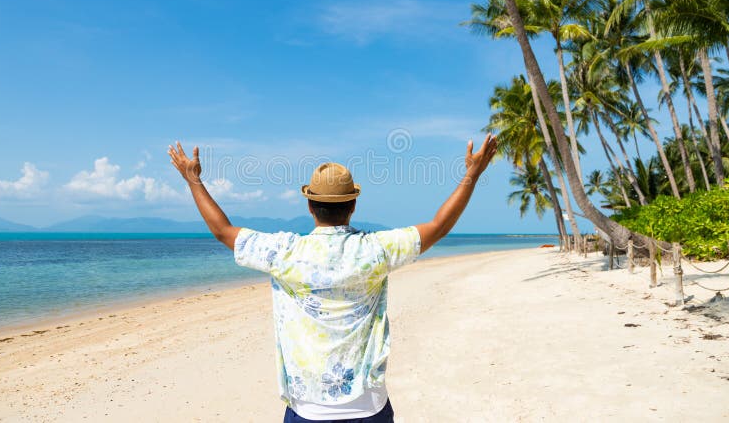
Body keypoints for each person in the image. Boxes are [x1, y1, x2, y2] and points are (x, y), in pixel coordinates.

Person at [168, 135, 498, 422]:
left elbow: (223, 231)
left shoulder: (286, 253)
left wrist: (193, 179)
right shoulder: (375, 250)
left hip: (307, 408)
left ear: (310, 206)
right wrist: (472, 173)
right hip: (368, 405)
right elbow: (438, 226)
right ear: (353, 206)